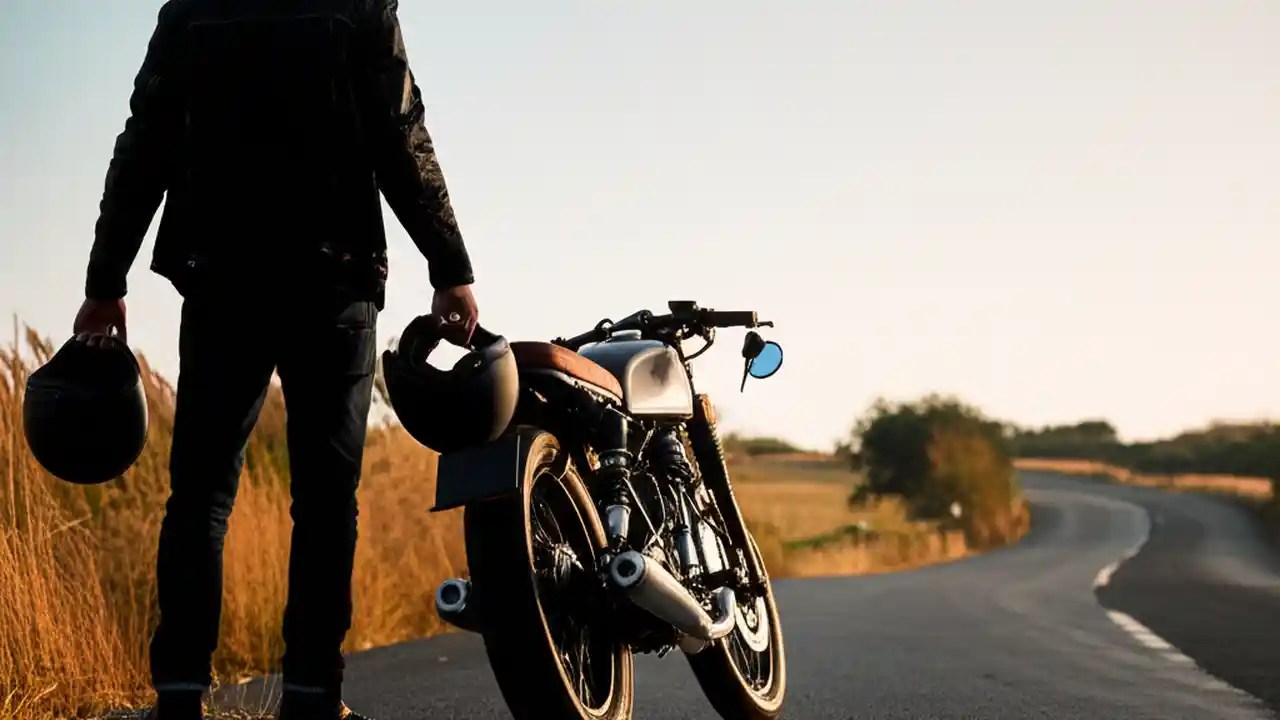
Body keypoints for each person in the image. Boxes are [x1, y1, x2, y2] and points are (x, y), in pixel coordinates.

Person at [72, 1, 478, 718]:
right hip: (334, 277)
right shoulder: (361, 5)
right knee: (324, 502)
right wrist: (449, 264)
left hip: (222, 278)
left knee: (199, 497)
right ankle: (313, 696)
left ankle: (179, 695)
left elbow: (147, 142)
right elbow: (399, 132)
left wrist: (106, 284)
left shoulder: (193, 9)